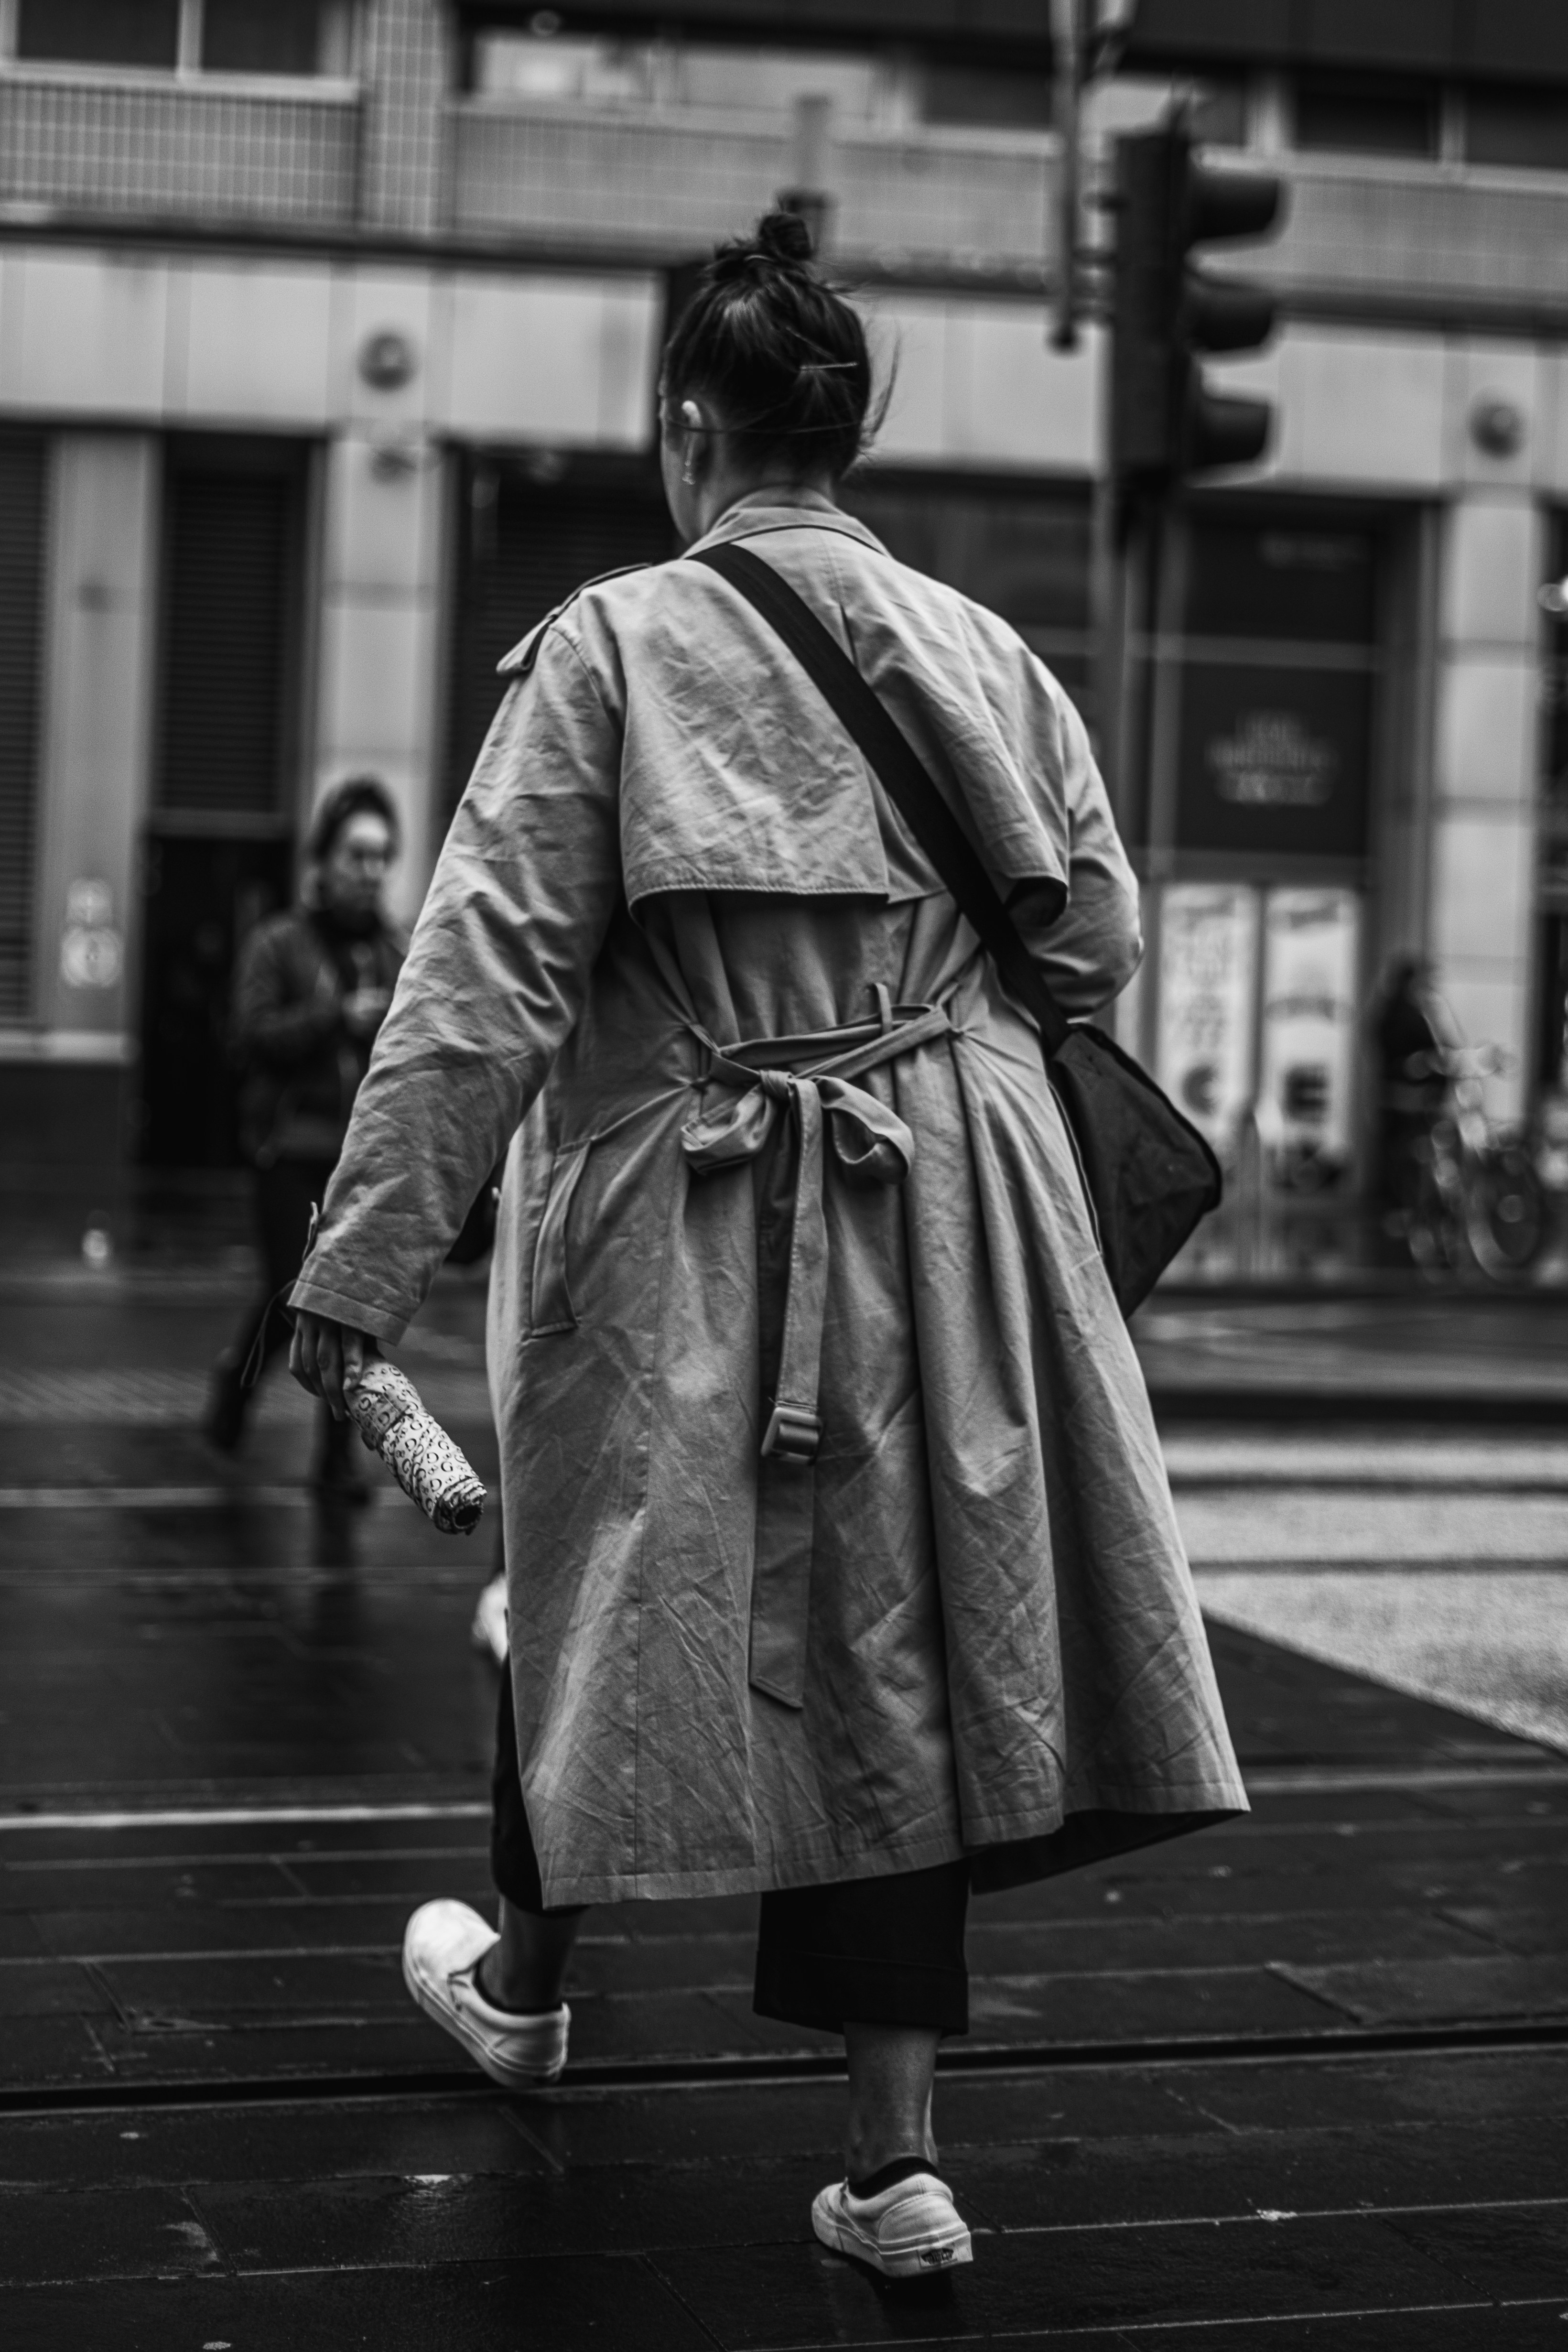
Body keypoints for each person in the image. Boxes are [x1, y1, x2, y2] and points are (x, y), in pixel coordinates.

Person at [289, 212, 1245, 2279]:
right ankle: (895, 2168)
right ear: (846, 434)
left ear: (684, 427)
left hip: (688, 1212)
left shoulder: (612, 647)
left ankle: (526, 1992)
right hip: (952, 1213)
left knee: (597, 1578)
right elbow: (1089, 945)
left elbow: (480, 989)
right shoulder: (985, 652)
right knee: (897, 1643)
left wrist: (357, 1278)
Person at [205, 775, 403, 1494]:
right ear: (324, 859)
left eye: (381, 856)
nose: (370, 871)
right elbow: (248, 1035)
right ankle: (238, 1380)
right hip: (289, 1149)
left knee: (351, 1301)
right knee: (294, 1293)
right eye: (356, 854)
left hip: (362, 1156)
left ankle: (335, 1457)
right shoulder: (279, 942)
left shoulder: (396, 951)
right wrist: (334, 1018)